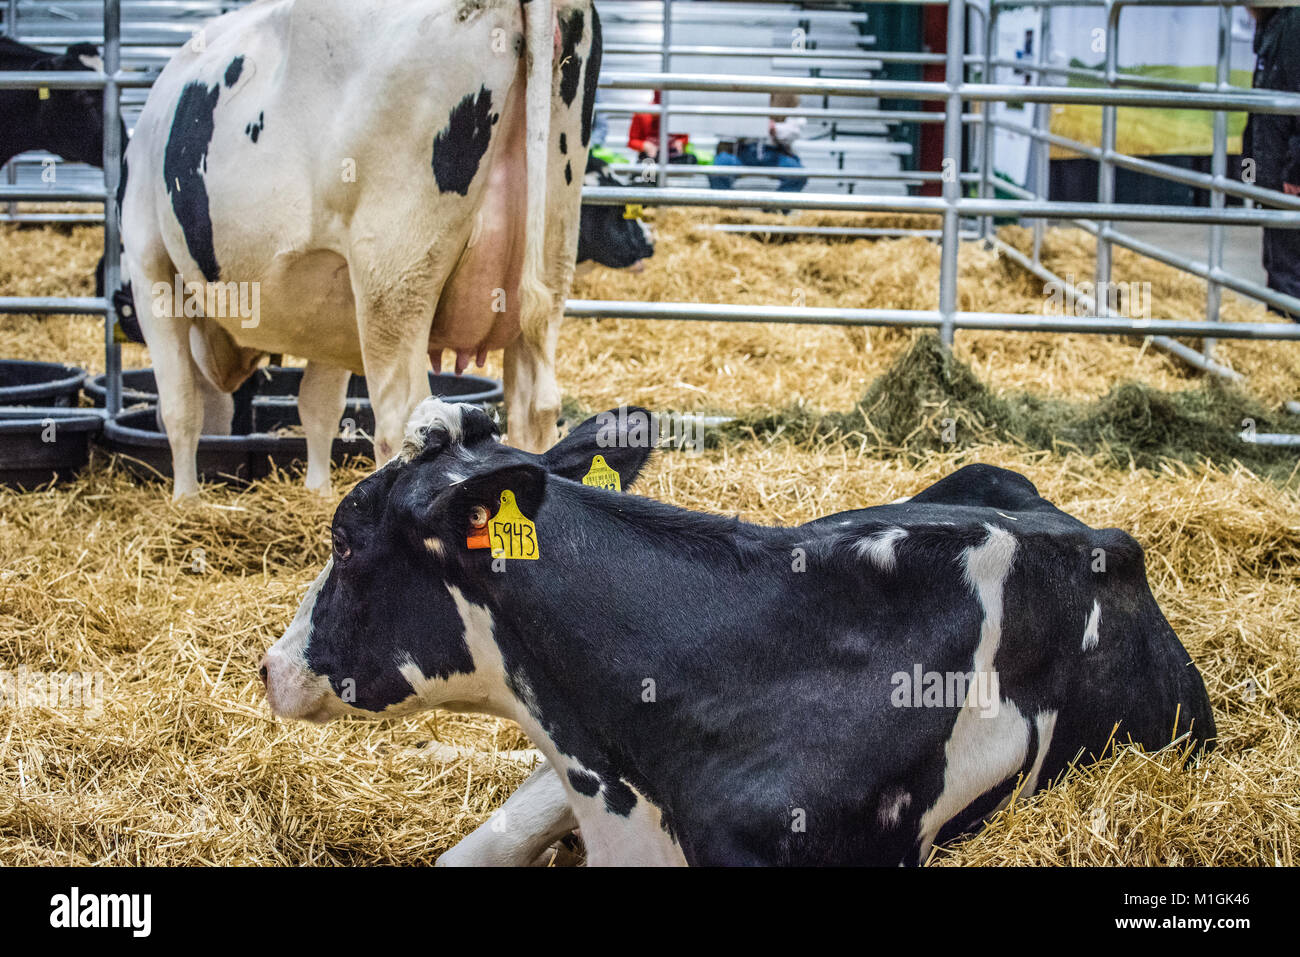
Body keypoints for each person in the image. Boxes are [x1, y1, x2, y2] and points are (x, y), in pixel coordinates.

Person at [1243, 6, 1300, 318]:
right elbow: (1257, 113)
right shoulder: (1271, 26)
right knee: (1278, 260)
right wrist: (1249, 173)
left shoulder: (1292, 25)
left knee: (1288, 266)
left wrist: (1295, 172)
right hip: (1272, 172)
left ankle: (1288, 343)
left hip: (1287, 178)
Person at [708, 93, 808, 193]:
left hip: (774, 151)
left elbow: (796, 129)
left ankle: (776, 204)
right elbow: (722, 129)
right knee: (719, 168)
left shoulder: (788, 94)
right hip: (741, 150)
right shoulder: (737, 92)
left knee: (798, 174)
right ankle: (728, 203)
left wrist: (775, 128)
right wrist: (740, 126)